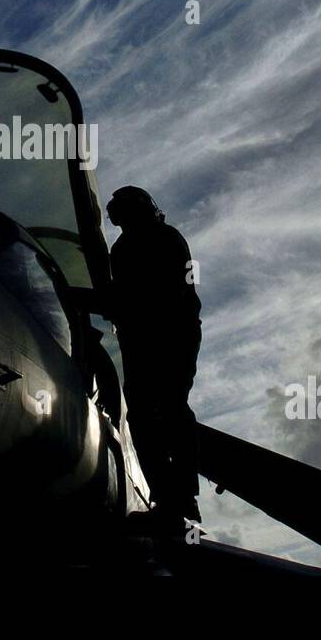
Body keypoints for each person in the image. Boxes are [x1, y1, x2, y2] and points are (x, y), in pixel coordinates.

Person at [105, 186, 202, 526]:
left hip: (168, 337)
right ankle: (174, 497)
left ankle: (180, 497)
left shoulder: (163, 240)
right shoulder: (125, 247)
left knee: (168, 410)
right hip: (145, 340)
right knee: (149, 416)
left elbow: (155, 295)